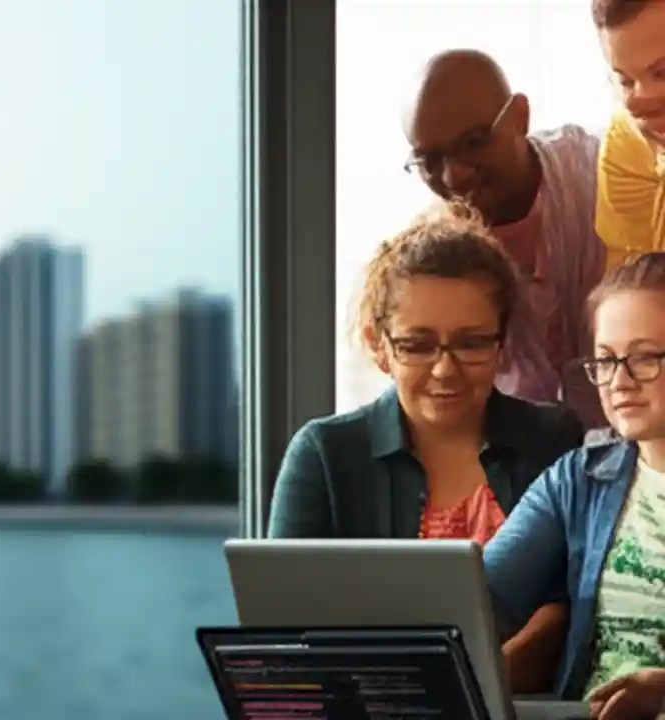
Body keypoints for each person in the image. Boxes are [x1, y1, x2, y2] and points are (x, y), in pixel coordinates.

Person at [269, 203, 585, 692]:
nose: (445, 370)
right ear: (379, 345)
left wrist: (482, 681)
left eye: (471, 343)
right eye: (418, 345)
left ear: (501, 342)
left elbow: (576, 597)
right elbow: (284, 623)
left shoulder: (553, 438)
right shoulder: (323, 454)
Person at [485, 252, 665, 717]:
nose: (619, 381)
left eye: (644, 358)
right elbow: (479, 596)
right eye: (605, 360)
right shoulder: (579, 479)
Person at [404, 49, 607, 428]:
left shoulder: (605, 178)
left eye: (473, 142)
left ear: (519, 117)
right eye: (429, 161)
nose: (453, 178)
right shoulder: (439, 254)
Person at [592, 0, 665, 273]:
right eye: (625, 81)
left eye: (662, 72)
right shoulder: (624, 145)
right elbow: (632, 290)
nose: (638, 102)